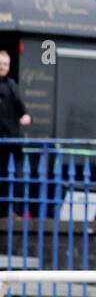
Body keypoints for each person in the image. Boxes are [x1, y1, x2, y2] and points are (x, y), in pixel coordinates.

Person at [0, 48, 32, 216]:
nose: (2, 67)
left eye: (5, 64)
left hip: (12, 141)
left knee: (15, 177)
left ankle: (14, 211)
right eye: (0, 64)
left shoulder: (12, 86)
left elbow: (24, 112)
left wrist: (25, 117)